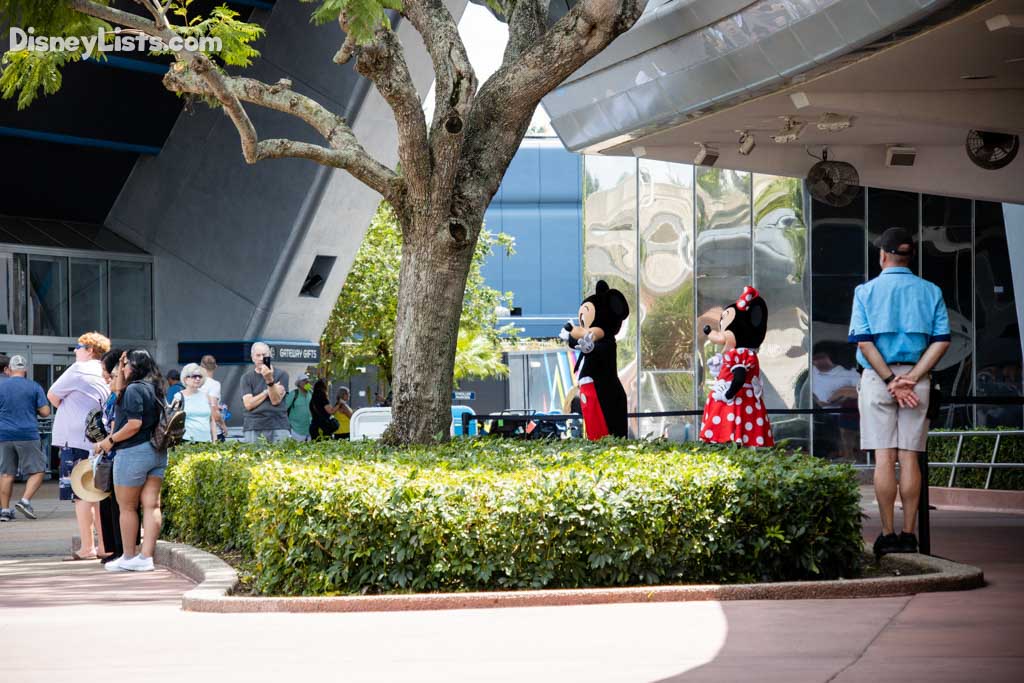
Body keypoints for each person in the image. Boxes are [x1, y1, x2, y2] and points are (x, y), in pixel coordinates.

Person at [848, 227, 950, 558]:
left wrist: (891, 379)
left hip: (880, 378)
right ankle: (910, 535)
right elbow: (942, 340)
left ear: (882, 256)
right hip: (917, 381)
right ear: (910, 257)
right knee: (909, 456)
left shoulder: (866, 292)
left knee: (884, 456)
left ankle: (888, 533)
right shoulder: (931, 291)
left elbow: (864, 341)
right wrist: (912, 377)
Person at [98, 350, 167, 572]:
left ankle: (128, 556)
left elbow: (133, 424)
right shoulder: (154, 388)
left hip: (132, 452)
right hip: (156, 451)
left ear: (134, 367)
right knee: (152, 505)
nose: (122, 369)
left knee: (126, 507)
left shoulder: (134, 389)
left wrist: (109, 440)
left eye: (125, 365)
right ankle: (146, 557)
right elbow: (118, 389)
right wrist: (120, 365)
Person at [48, 332, 112, 561]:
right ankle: (105, 545)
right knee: (98, 494)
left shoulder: (77, 370)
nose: (75, 351)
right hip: (98, 439)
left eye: (78, 347)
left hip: (73, 438)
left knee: (81, 494)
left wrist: (67, 403)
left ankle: (87, 547)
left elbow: (52, 395)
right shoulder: (105, 372)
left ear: (90, 350)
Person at [0, 356, 51, 522]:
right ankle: (24, 500)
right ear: (25, 369)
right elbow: (45, 412)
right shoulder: (34, 386)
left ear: (9, 369)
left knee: (7, 474)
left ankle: (5, 511)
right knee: (38, 470)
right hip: (27, 433)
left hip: (4, 434)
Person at [97, 348, 128, 563]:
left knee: (118, 504)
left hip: (117, 452)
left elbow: (118, 423)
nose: (106, 376)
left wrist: (108, 440)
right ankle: (111, 548)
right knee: (106, 503)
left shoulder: (123, 394)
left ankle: (120, 549)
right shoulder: (112, 393)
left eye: (108, 373)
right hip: (108, 453)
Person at [811, 342, 861, 460]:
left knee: (848, 437)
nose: (817, 361)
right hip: (818, 416)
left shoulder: (849, 374)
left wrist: (843, 393)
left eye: (821, 357)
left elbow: (863, 391)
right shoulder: (812, 372)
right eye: (815, 358)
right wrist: (816, 401)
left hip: (846, 415)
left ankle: (849, 455)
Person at [240, 342, 290, 443]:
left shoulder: (282, 374)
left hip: (278, 424)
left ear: (270, 356)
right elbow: (249, 404)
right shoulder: (246, 378)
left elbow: (275, 401)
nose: (261, 358)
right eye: (258, 355)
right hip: (253, 425)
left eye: (264, 355)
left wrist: (269, 380)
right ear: (252, 357)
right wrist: (267, 391)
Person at [179, 363, 218, 443]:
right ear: (186, 379)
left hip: (206, 442)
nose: (197, 379)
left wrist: (215, 440)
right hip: (186, 441)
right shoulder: (179, 397)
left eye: (200, 376)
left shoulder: (206, 396)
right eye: (194, 376)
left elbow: (211, 420)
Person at [199, 355, 228, 441]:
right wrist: (223, 426)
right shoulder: (214, 384)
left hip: (198, 431)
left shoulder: (194, 383)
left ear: (201, 366)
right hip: (213, 432)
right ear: (216, 366)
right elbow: (213, 409)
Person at [285, 374, 313, 441]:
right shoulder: (294, 394)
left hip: (309, 429)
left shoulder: (311, 394)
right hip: (295, 430)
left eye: (308, 381)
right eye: (304, 381)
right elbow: (284, 409)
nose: (307, 382)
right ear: (298, 384)